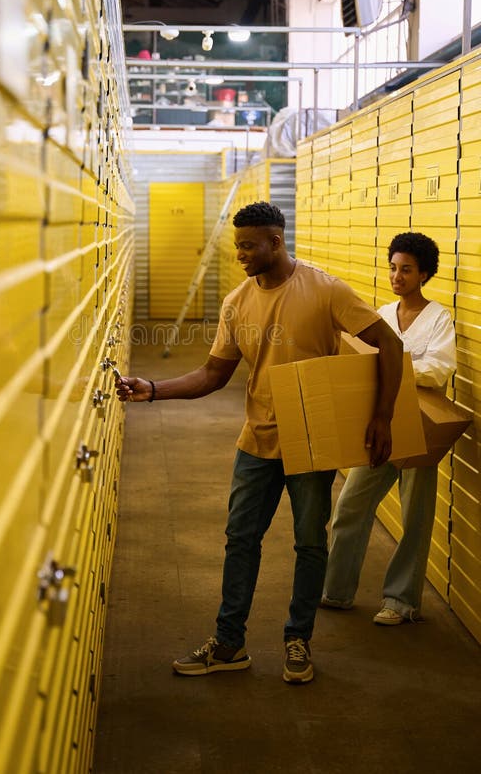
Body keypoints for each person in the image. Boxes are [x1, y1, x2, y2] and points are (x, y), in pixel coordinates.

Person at [115, 202, 403, 683]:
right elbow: (212, 374)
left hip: (310, 441)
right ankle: (229, 644)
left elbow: (388, 344)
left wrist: (383, 417)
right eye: (238, 246)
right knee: (240, 541)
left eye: (250, 245)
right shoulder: (236, 302)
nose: (241, 254)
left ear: (276, 240)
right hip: (256, 440)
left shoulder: (324, 289)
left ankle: (298, 640)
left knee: (310, 543)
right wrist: (154, 390)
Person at [322, 232, 457, 625]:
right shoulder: (381, 314)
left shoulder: (438, 318)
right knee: (351, 504)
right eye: (394, 268)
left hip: (420, 426)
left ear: (424, 274)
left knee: (414, 516)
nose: (397, 276)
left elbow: (440, 368)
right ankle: (336, 590)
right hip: (379, 425)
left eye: (407, 270)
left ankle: (400, 602)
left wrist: (394, 365)